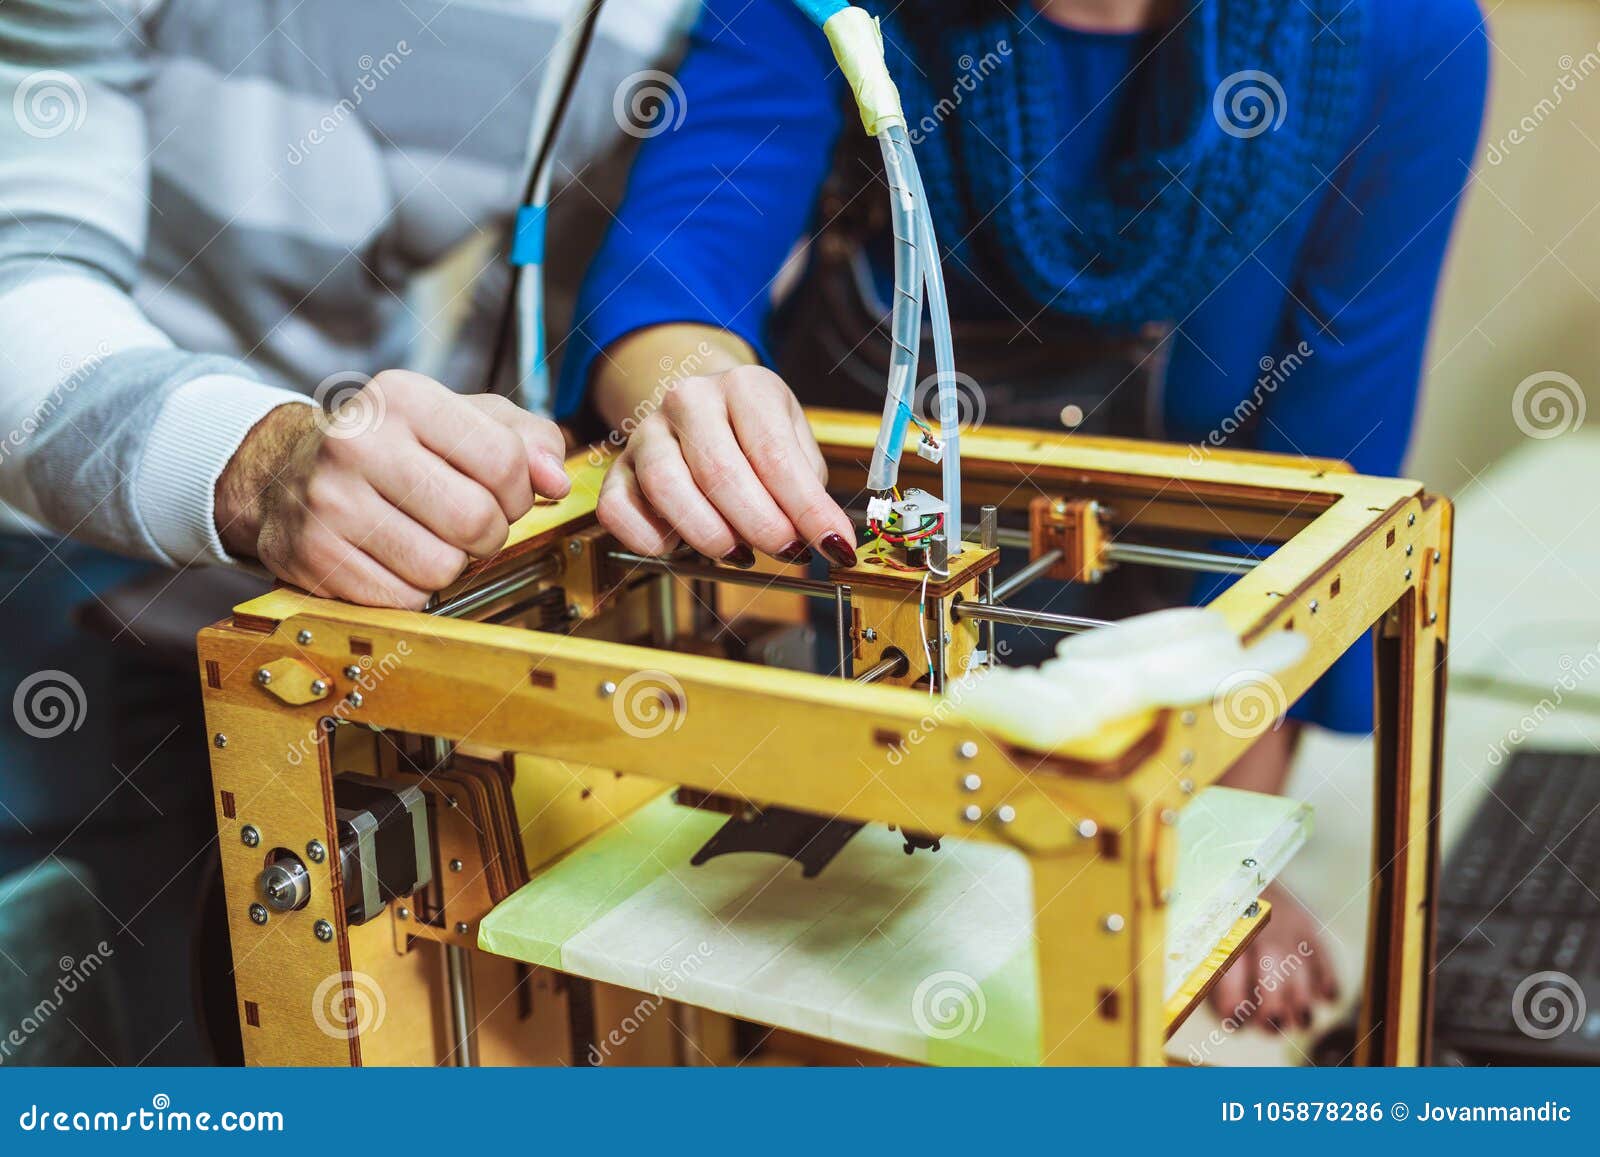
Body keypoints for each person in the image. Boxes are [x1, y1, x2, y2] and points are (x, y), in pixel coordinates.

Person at [558, 0, 1488, 1034]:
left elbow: (1315, 509)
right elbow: (674, 262)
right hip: (828, 638)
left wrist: (1220, 844)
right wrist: (691, 385)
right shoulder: (835, 15)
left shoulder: (1403, 35)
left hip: (1162, 668)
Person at [0, 0, 692, 1062]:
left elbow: (548, 327)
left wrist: (451, 484)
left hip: (316, 605)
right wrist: (264, 464)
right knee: (75, 1007)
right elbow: (19, 272)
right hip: (55, 546)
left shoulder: (664, 26)